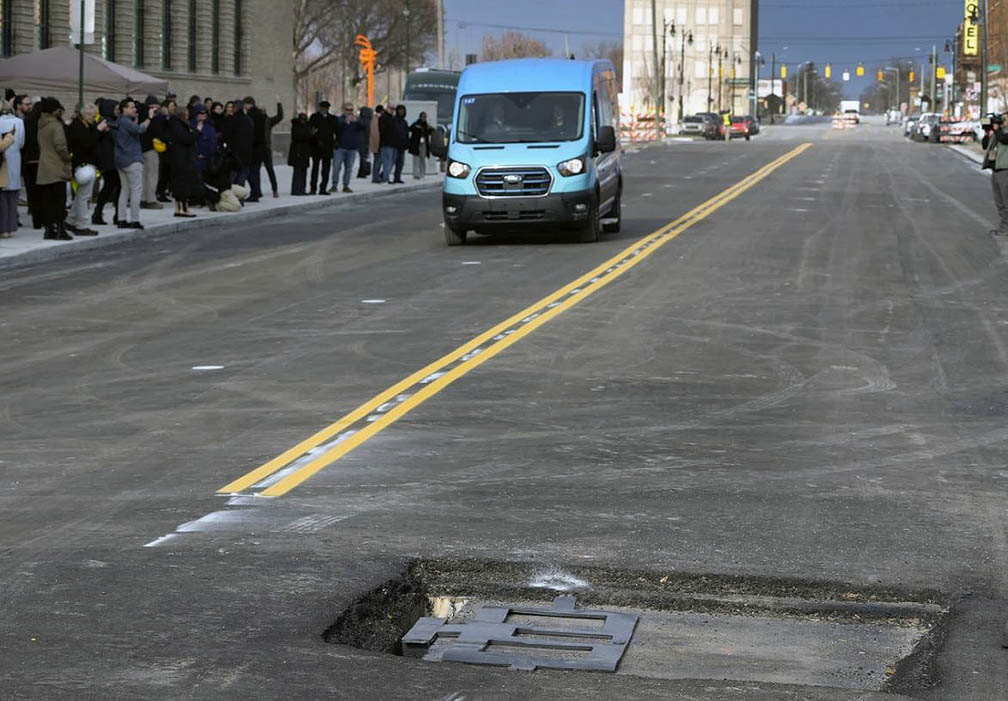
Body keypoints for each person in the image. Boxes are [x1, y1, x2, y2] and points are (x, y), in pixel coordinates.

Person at [114, 97, 155, 229]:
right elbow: (140, 130)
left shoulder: (119, 121)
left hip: (121, 160)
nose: (135, 109)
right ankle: (134, 219)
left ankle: (121, 219)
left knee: (124, 189)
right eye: (131, 107)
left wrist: (136, 122)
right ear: (124, 109)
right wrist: (149, 118)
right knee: (136, 190)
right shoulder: (126, 121)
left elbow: (133, 129)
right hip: (132, 159)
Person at [35, 97, 73, 240]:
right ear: (54, 110)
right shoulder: (56, 125)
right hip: (57, 167)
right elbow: (60, 146)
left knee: (47, 201)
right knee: (59, 201)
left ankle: (49, 229)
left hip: (44, 167)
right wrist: (67, 158)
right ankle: (60, 230)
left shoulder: (41, 125)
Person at [65, 103, 104, 236]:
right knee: (84, 197)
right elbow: (87, 142)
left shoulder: (86, 125)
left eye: (95, 116)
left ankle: (70, 220)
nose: (94, 118)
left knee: (81, 196)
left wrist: (98, 130)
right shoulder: (77, 126)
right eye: (92, 116)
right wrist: (98, 130)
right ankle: (81, 225)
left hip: (87, 165)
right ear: (85, 114)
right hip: (82, 165)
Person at [167, 104, 202, 218]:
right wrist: (197, 131)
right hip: (182, 158)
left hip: (179, 157)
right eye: (186, 113)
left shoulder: (176, 124)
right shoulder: (178, 125)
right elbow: (186, 139)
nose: (188, 115)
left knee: (179, 183)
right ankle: (184, 209)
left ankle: (178, 208)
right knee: (183, 184)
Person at [93, 98, 121, 226]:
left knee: (110, 187)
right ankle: (111, 214)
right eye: (115, 109)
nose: (118, 111)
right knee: (113, 186)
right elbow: (116, 139)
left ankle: (100, 213)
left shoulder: (110, 122)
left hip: (111, 159)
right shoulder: (106, 123)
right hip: (110, 160)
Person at [982, 113, 1008, 236]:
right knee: (999, 202)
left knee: (1006, 200)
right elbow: (985, 145)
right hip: (996, 170)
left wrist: (997, 129)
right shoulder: (998, 133)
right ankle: (1004, 227)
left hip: (1005, 170)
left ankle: (1005, 228)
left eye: (1005, 119)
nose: (1003, 121)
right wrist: (987, 131)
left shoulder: (1002, 133)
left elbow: (1004, 139)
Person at [0, 112, 24, 238]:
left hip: (4, 165)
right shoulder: (19, 122)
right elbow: (21, 143)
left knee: (3, 199)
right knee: (11, 198)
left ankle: (3, 229)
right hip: (14, 161)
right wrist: (9, 137)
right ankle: (9, 228)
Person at [332, 102, 364, 193]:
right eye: (347, 109)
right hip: (340, 147)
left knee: (349, 168)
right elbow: (336, 128)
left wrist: (357, 121)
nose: (349, 112)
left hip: (352, 148)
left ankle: (346, 185)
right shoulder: (339, 119)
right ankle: (334, 185)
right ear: (344, 110)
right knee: (336, 167)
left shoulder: (356, 119)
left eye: (351, 110)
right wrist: (345, 121)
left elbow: (362, 126)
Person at [308, 100, 338, 194]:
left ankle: (323, 188)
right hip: (317, 146)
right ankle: (313, 188)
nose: (324, 109)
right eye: (322, 108)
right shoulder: (314, 117)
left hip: (328, 146)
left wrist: (335, 142)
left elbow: (336, 131)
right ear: (320, 108)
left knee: (326, 170)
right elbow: (311, 131)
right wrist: (316, 140)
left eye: (326, 108)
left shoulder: (332, 118)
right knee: (315, 169)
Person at [21, 100, 42, 228]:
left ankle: (36, 220)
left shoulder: (26, 121)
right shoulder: (43, 123)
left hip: (29, 160)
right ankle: (43, 218)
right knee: (42, 190)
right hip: (41, 159)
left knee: (32, 191)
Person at [224, 98, 253, 189]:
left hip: (234, 155)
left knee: (232, 180)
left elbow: (227, 136)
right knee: (242, 180)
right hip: (247, 154)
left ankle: (232, 199)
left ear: (235, 108)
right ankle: (241, 200)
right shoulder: (248, 120)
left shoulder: (232, 120)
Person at [288, 112, 313, 195]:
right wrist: (310, 134)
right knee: (297, 172)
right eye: (301, 119)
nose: (303, 121)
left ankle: (302, 189)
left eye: (304, 119)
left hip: (305, 152)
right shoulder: (295, 126)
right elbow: (297, 136)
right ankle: (296, 190)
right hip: (297, 151)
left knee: (303, 172)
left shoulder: (307, 126)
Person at [191, 104, 217, 174]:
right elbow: (190, 141)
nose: (204, 114)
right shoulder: (190, 126)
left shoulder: (210, 127)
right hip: (194, 160)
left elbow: (213, 143)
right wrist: (197, 154)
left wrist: (205, 154)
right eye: (201, 113)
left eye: (205, 112)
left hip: (207, 160)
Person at [408, 111, 433, 180]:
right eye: (423, 116)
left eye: (425, 117)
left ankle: (422, 174)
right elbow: (410, 129)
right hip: (416, 144)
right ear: (420, 117)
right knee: (416, 159)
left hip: (423, 143)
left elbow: (431, 131)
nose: (424, 118)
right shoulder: (415, 124)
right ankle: (416, 174)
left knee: (422, 159)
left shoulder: (426, 125)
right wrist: (416, 128)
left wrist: (429, 129)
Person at [389, 104, 409, 184]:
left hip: (402, 145)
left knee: (400, 163)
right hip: (395, 144)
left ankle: (397, 177)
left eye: (403, 110)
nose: (401, 112)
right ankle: (384, 175)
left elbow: (406, 133)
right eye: (400, 110)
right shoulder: (394, 120)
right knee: (392, 161)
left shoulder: (404, 122)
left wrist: (407, 142)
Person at [369, 104, 385, 184]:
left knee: (380, 161)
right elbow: (375, 132)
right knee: (378, 161)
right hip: (377, 144)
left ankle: (377, 176)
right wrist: (377, 144)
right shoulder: (376, 119)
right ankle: (375, 177)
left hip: (379, 143)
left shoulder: (377, 118)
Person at [356, 105, 373, 178]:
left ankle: (361, 172)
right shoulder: (368, 121)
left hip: (360, 140)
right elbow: (367, 132)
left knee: (362, 157)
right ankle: (362, 172)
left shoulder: (360, 119)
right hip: (365, 141)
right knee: (364, 157)